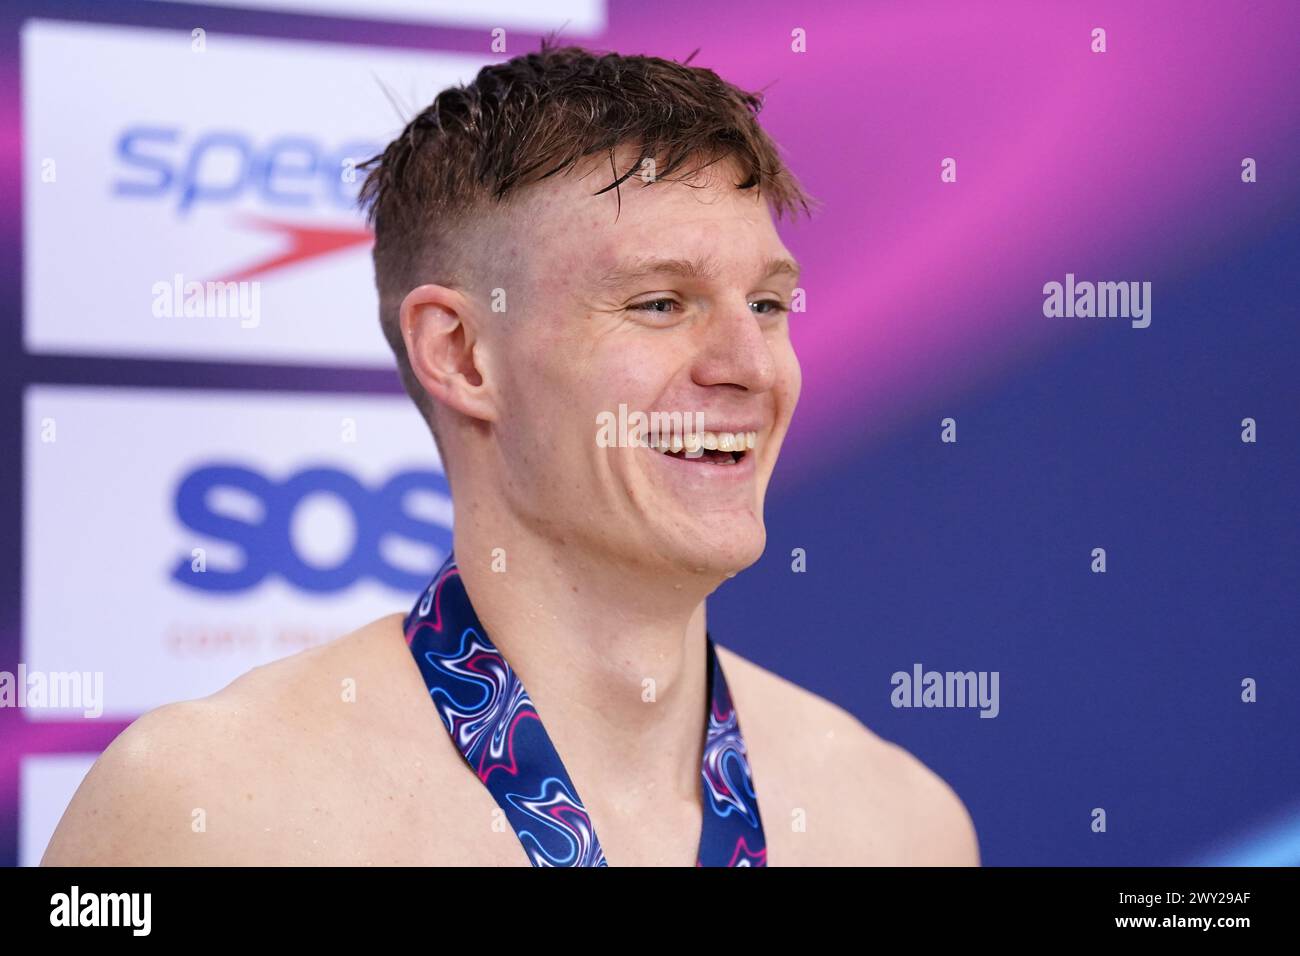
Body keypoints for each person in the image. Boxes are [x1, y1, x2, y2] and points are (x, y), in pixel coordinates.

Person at [42, 40, 978, 867]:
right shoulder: (209, 812)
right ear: (461, 353)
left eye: (768, 306)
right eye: (660, 303)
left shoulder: (900, 823)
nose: (750, 367)